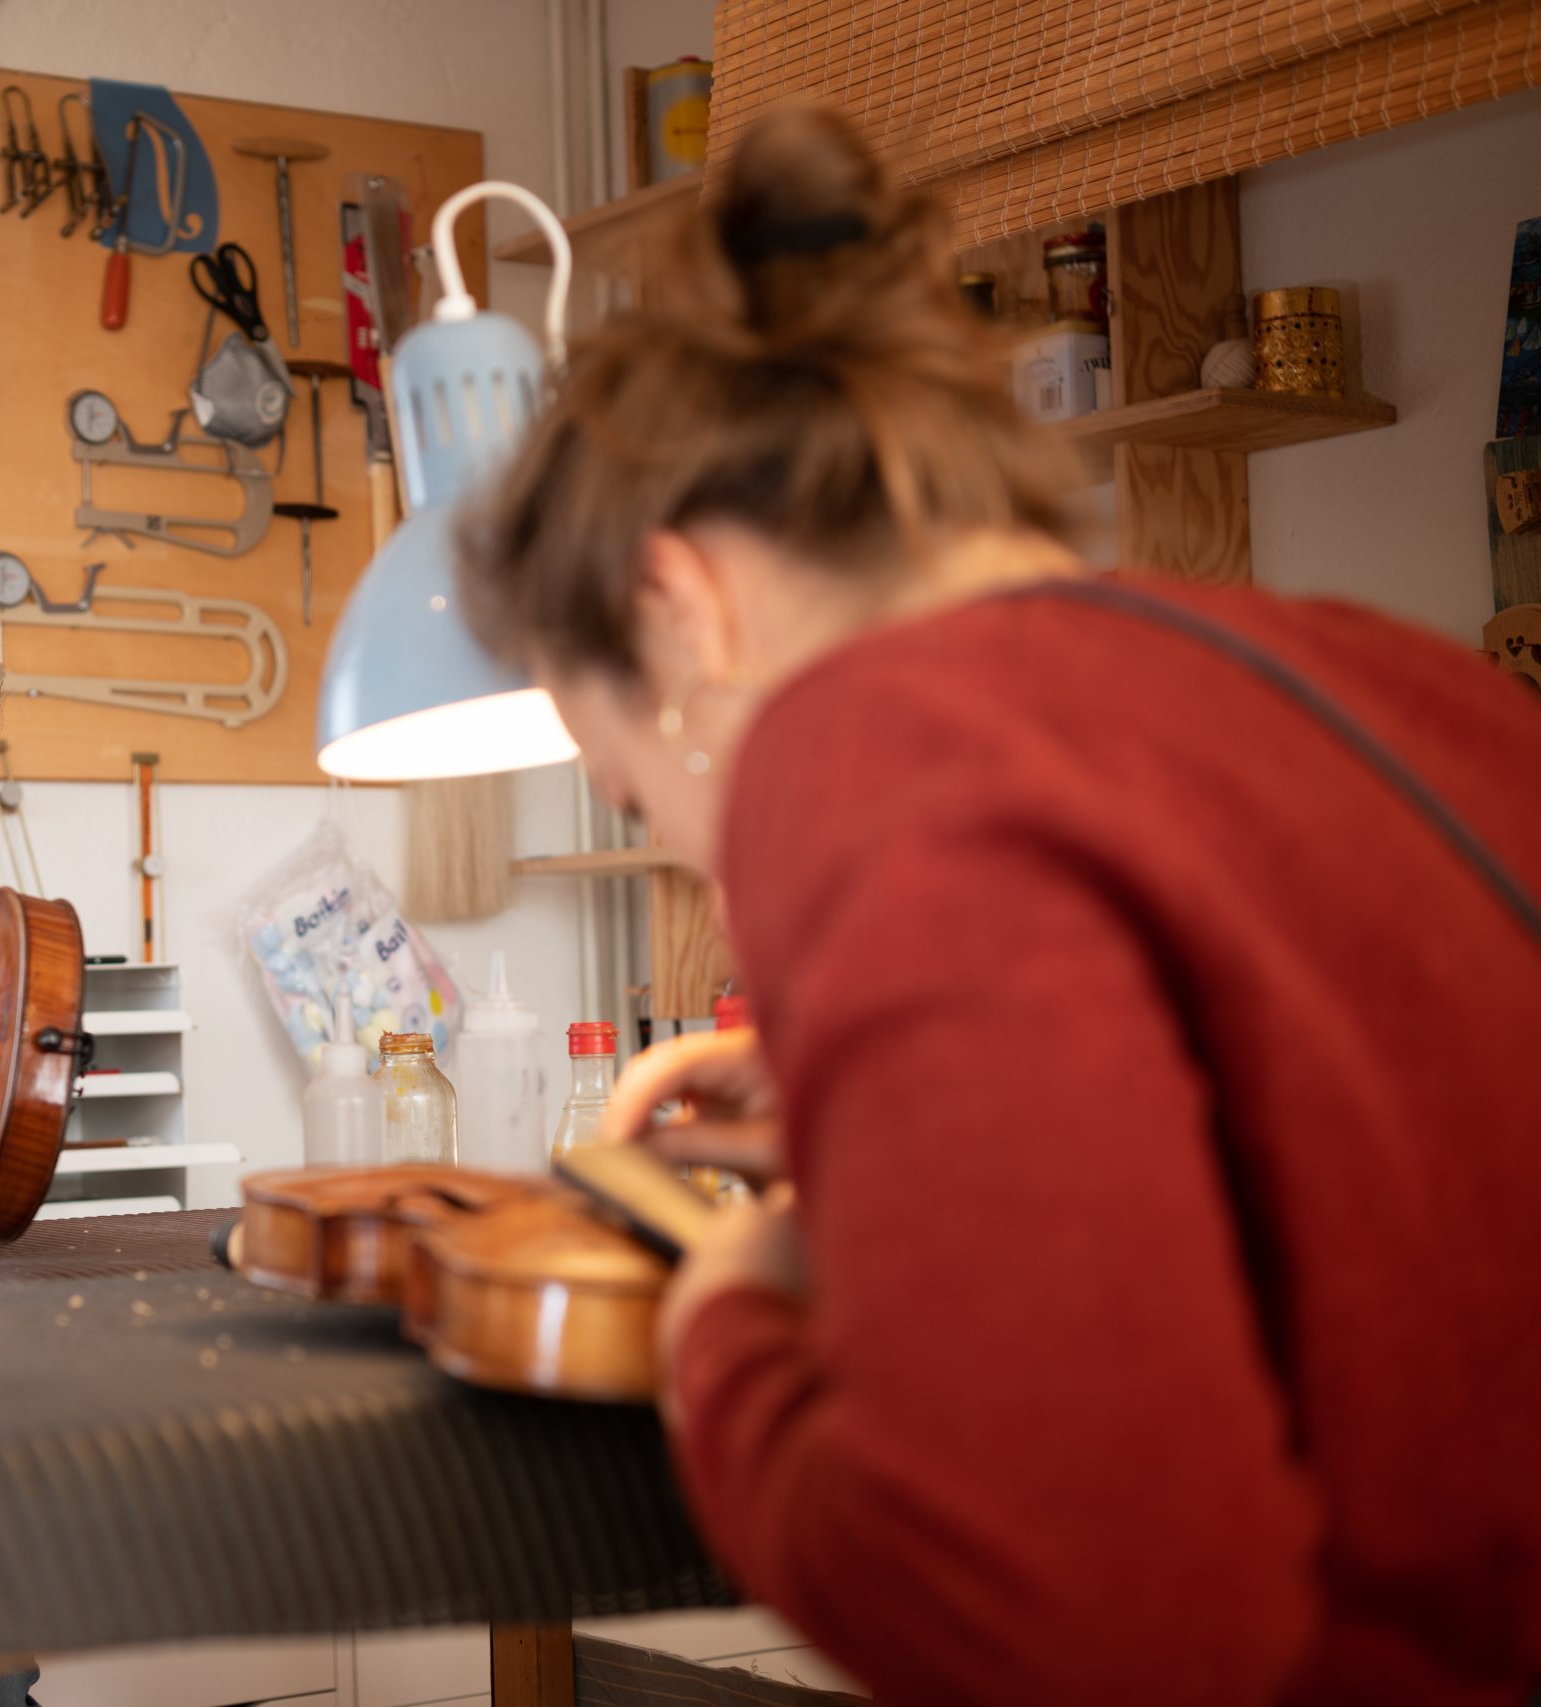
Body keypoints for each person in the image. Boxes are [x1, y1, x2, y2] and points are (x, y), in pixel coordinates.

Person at [457, 107, 1541, 1707]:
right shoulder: (1359, 668)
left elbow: (1080, 1624)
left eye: (637, 795)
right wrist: (888, 1116)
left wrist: (728, 1331)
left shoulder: (868, 752)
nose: (697, 853)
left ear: (677, 609)